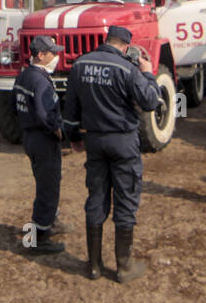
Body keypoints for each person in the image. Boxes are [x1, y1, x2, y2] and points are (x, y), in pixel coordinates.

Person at [62, 25, 161, 282]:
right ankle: (124, 266)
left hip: (94, 141)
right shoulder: (127, 69)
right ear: (126, 47)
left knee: (96, 198)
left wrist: (74, 137)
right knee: (126, 199)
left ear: (107, 40)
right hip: (123, 142)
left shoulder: (80, 64)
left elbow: (70, 108)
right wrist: (148, 74)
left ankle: (94, 266)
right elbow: (150, 101)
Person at [14, 35, 70, 253]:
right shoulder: (39, 80)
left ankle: (50, 222)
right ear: (41, 55)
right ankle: (37, 240)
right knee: (48, 187)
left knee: (45, 183)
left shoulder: (24, 76)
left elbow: (14, 107)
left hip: (30, 137)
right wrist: (56, 129)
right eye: (52, 53)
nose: (56, 56)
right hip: (42, 139)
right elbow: (44, 113)